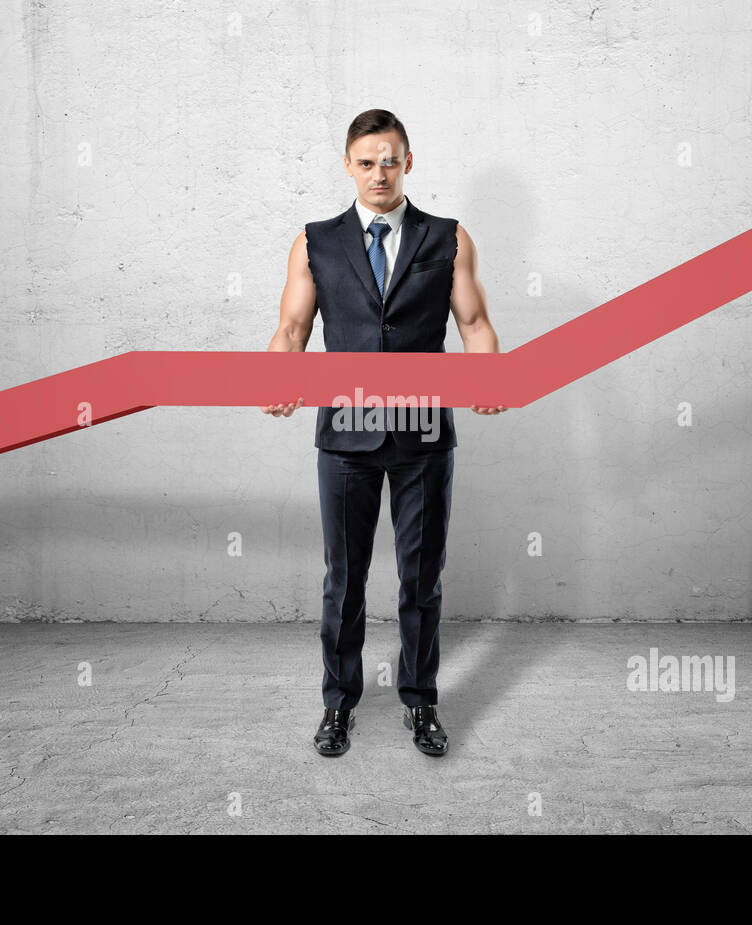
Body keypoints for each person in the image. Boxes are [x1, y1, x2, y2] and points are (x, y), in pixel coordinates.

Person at [262, 109, 505, 757]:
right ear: (348, 165)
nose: (379, 172)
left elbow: (475, 323)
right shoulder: (314, 241)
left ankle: (420, 702)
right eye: (366, 161)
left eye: (390, 159)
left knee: (420, 578)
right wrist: (277, 375)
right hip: (346, 433)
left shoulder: (448, 237)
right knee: (344, 577)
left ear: (409, 162)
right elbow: (291, 329)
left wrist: (487, 377)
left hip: (423, 432)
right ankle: (338, 704)